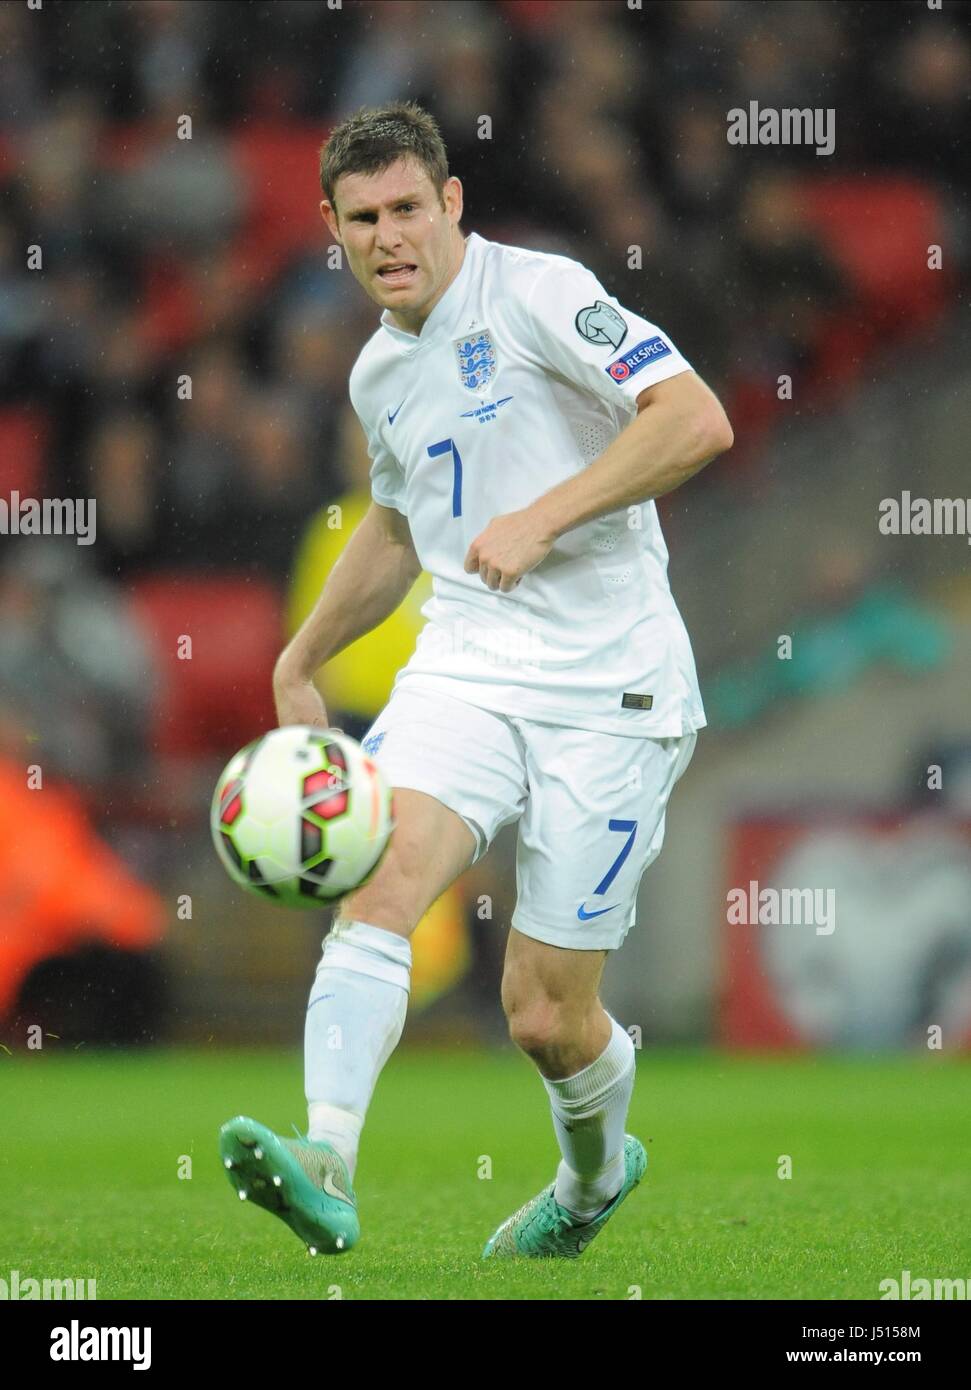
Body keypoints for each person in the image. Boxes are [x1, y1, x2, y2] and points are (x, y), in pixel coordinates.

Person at [219, 101, 733, 1260]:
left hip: (614, 688)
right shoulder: (376, 375)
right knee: (380, 872)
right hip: (468, 666)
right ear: (331, 231)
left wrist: (544, 516)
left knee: (543, 1015)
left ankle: (592, 1179)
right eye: (365, 218)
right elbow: (398, 525)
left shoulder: (539, 293)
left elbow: (694, 420)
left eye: (410, 207)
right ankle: (325, 1158)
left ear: (451, 204)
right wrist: (300, 656)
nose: (390, 234)